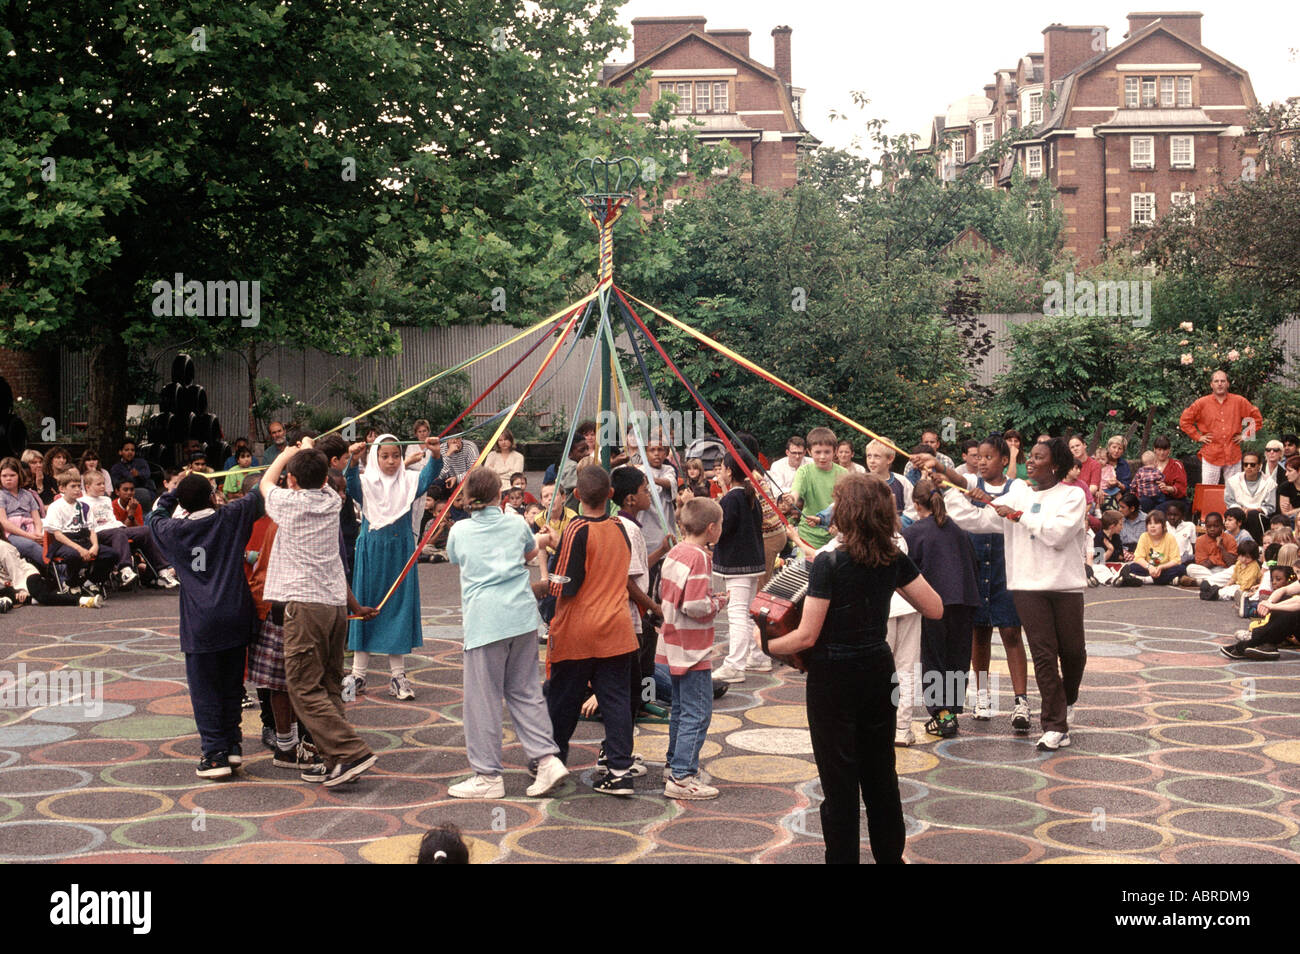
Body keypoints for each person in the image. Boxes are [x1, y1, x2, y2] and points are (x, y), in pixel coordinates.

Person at [764, 473, 942, 863]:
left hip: (833, 676)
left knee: (839, 783)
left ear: (847, 512)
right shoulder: (893, 556)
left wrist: (769, 645)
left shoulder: (829, 561)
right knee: (882, 778)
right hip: (878, 668)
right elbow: (935, 607)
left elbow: (807, 635)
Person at [941, 438, 1090, 752]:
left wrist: (1018, 515)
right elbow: (980, 520)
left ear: (1057, 465)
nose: (1030, 462)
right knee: (1044, 655)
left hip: (1064, 586)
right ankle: (1054, 726)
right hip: (1026, 586)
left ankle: (1068, 699)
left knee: (1073, 653)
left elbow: (1058, 534)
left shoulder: (1073, 495)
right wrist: (961, 495)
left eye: (1038, 458)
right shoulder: (1019, 491)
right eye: (1030, 457)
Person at [259, 438, 380, 787]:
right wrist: (306, 453)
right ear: (325, 477)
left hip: (305, 606)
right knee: (327, 685)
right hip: (333, 607)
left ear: (292, 481)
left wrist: (285, 455)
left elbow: (267, 483)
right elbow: (316, 478)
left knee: (303, 687)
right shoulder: (331, 500)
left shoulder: (288, 504)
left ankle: (351, 751)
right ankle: (338, 760)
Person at [445, 467, 569, 799]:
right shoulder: (516, 524)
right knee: (526, 691)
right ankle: (546, 759)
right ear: (500, 495)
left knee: (483, 699)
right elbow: (527, 550)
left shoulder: (460, 530)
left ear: (469, 498)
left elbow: (455, 556)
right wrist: (539, 539)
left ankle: (487, 775)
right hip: (522, 617)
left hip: (486, 621)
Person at [147, 471, 264, 778]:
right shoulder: (230, 517)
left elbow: (154, 514)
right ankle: (233, 744)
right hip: (236, 614)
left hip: (200, 622)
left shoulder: (173, 529)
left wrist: (173, 488)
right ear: (213, 496)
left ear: (182, 505)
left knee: (204, 689)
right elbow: (261, 491)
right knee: (231, 684)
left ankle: (214, 753)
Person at [919, 435, 1033, 730]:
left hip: (1006, 570)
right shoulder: (967, 483)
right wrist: (939, 470)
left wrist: (977, 495)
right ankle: (982, 696)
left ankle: (1021, 701)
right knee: (978, 634)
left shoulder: (1017, 487)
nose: (982, 462)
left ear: (1005, 460)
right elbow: (962, 484)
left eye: (989, 457)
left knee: (1011, 633)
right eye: (978, 457)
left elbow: (1001, 510)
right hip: (973, 569)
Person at [545, 465, 640, 795]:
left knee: (562, 699)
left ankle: (552, 761)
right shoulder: (619, 526)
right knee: (616, 701)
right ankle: (619, 770)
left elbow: (564, 585)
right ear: (611, 494)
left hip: (579, 630)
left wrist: (544, 573)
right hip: (616, 627)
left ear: (575, 496)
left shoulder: (576, 528)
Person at [343, 434, 443, 701]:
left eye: (396, 456)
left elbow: (427, 478)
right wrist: (353, 460)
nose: (390, 461)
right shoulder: (364, 482)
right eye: (384, 456)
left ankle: (398, 676)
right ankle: (358, 674)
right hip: (370, 551)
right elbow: (349, 483)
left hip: (400, 552)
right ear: (375, 457)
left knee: (397, 608)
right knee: (365, 606)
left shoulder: (409, 482)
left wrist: (435, 454)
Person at [657, 495, 728, 798]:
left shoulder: (676, 551)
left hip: (671, 640)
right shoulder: (700, 557)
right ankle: (683, 775)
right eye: (721, 524)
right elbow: (696, 604)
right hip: (692, 646)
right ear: (711, 528)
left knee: (681, 708)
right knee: (698, 711)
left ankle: (674, 763)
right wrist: (719, 602)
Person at [903, 477, 979, 738]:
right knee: (957, 658)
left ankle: (941, 714)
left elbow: (906, 571)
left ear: (915, 503)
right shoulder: (957, 529)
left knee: (933, 658)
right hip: (965, 598)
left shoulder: (913, 532)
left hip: (933, 601)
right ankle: (952, 711)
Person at [711, 446, 767, 684]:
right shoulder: (747, 495)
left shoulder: (733, 499)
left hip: (737, 565)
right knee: (745, 612)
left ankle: (735, 665)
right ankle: (757, 656)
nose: (719, 472)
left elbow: (721, 531)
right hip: (751, 563)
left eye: (722, 468)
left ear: (730, 471)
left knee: (736, 614)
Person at [81, 469, 177, 588]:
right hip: (97, 533)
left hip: (115, 528)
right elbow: (88, 526)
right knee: (118, 533)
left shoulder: (106, 499)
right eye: (98, 484)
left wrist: (119, 525)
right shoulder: (82, 502)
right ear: (88, 487)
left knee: (145, 531)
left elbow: (111, 520)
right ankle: (125, 570)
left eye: (103, 483)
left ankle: (162, 572)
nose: (102, 487)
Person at [1179, 370, 1263, 484]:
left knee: (1235, 490)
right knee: (1208, 490)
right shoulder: (1202, 403)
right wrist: (1198, 437)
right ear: (1211, 384)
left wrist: (1245, 436)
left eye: (1223, 381)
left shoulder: (1238, 401)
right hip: (1211, 454)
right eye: (1216, 381)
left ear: (1228, 384)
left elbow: (1256, 418)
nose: (1219, 384)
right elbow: (1184, 421)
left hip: (1233, 452)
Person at [43, 470, 116, 594]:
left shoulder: (84, 506)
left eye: (79, 486)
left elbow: (91, 530)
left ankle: (91, 581)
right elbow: (58, 535)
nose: (77, 489)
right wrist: (79, 549)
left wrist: (95, 546)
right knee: (74, 555)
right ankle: (71, 583)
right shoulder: (56, 506)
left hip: (83, 539)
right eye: (73, 486)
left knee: (111, 554)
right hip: (64, 542)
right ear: (62, 488)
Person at [792, 427, 845, 549]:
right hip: (808, 536)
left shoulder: (844, 473)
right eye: (817, 452)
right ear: (809, 452)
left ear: (835, 451)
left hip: (835, 536)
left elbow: (846, 504)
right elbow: (795, 491)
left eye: (827, 452)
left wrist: (838, 525)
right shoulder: (804, 471)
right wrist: (791, 498)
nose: (822, 457)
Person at [1115, 510, 1186, 586]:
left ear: (1163, 525)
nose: (1152, 526)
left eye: (1156, 523)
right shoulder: (1144, 536)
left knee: (1181, 568)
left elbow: (1176, 560)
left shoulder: (1169, 538)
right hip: (1147, 568)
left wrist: (1161, 567)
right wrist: (1149, 567)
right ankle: (1166, 580)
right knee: (1132, 567)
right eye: (1149, 523)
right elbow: (1138, 558)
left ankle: (1144, 579)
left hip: (1164, 569)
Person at [0, 456, 47, 567]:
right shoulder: (1, 495)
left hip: (32, 530)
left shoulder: (28, 495)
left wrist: (38, 533)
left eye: (12, 475)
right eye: (4, 476)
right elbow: (4, 523)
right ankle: (61, 577)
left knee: (53, 541)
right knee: (31, 546)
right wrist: (29, 537)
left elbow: (36, 518)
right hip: (10, 534)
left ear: (19, 475)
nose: (8, 479)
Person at [1225, 451, 1276, 544]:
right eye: (1245, 464)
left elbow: (1271, 507)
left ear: (1259, 465)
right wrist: (1241, 510)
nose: (1248, 467)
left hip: (1259, 515)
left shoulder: (1269, 483)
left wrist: (1254, 509)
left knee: (1252, 514)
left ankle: (1256, 545)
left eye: (1252, 464)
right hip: (1239, 512)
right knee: (1235, 517)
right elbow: (1229, 502)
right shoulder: (1233, 481)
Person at [1185, 512, 1238, 587]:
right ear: (1205, 526)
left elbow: (1231, 563)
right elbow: (1202, 565)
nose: (1212, 529)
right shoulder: (1200, 540)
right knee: (1190, 568)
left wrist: (1221, 547)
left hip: (1225, 570)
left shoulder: (1230, 538)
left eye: (1216, 526)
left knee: (1235, 569)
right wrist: (1216, 559)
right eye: (1209, 526)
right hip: (1209, 571)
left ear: (1222, 526)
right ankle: (1217, 582)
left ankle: (1204, 582)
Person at [1200, 538, 1261, 603]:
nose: (1244, 559)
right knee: (1228, 589)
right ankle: (1211, 591)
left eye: (1247, 557)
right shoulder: (1239, 563)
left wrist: (1237, 591)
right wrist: (1226, 586)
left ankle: (1215, 594)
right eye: (1242, 556)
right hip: (1238, 585)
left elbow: (1247, 585)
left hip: (1247, 589)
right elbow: (1233, 578)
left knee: (1230, 592)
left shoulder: (1253, 567)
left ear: (1254, 557)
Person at [110, 440, 156, 509]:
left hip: (146, 493)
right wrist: (131, 477)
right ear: (120, 452)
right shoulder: (116, 468)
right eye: (126, 450)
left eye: (132, 450)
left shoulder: (141, 462)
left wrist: (138, 475)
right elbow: (116, 483)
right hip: (127, 495)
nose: (130, 452)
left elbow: (147, 475)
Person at [1150, 435, 1188, 511]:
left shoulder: (1176, 465)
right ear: (1154, 449)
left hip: (1175, 499)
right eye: (1159, 449)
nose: (1162, 453)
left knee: (1158, 510)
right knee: (1143, 503)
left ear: (1169, 450)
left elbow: (1182, 488)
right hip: (1156, 497)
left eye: (1165, 450)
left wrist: (1167, 488)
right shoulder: (1150, 465)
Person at [1069, 435, 1101, 501]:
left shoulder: (1095, 465)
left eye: (1077, 445)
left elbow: (1093, 488)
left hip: (1087, 499)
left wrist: (1078, 498)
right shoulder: (1068, 465)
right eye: (1072, 447)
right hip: (1070, 499)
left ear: (1084, 445)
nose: (1075, 449)